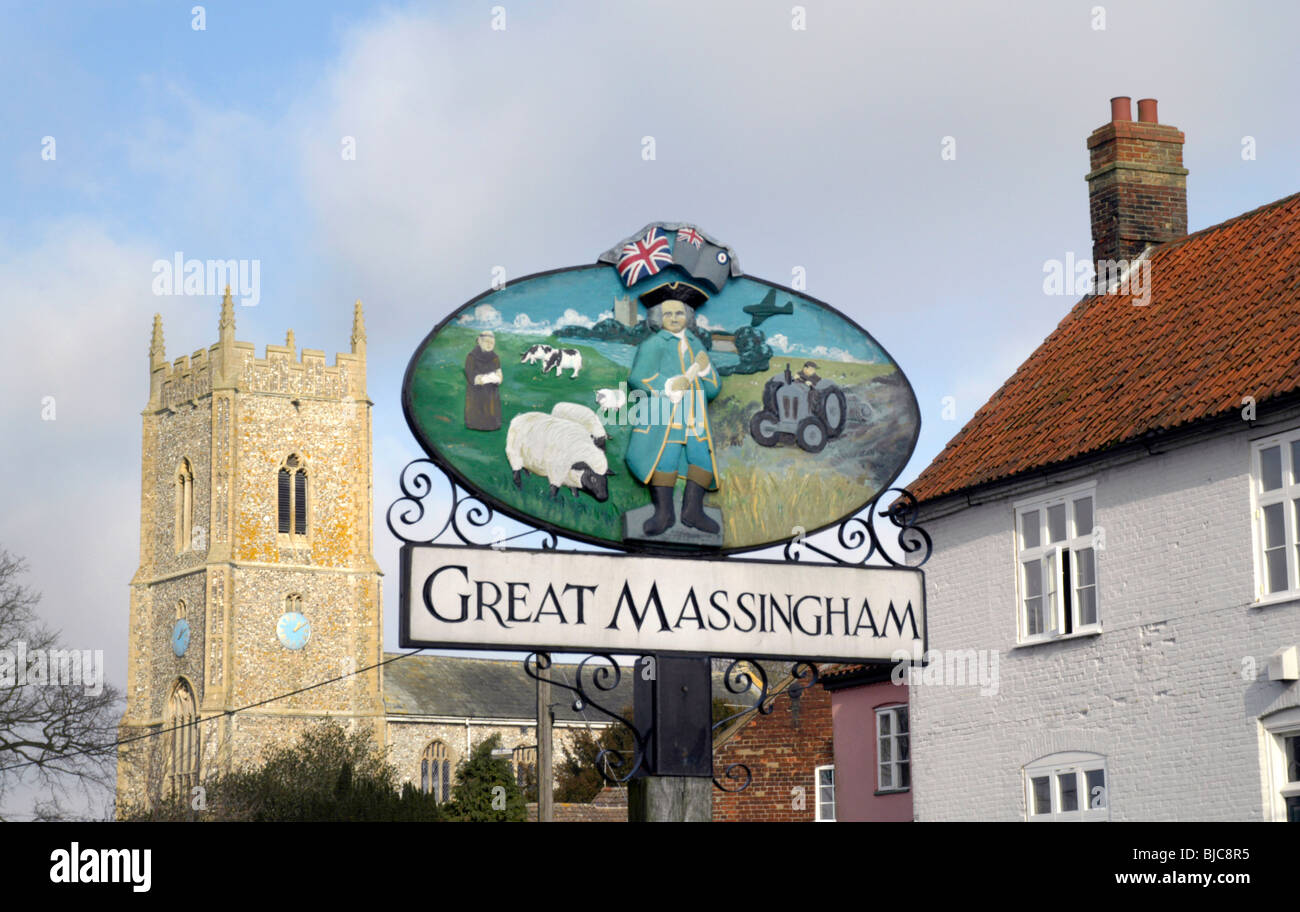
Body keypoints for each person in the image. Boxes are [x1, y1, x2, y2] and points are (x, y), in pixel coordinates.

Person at [624, 282, 721, 536]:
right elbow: (638, 378)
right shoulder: (654, 345)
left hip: (695, 414)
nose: (674, 318)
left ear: (688, 317)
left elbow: (712, 389)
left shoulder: (696, 345)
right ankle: (664, 514)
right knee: (664, 458)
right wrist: (668, 384)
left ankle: (693, 511)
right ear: (659, 317)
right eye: (668, 314)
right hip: (666, 414)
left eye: (679, 313)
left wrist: (706, 369)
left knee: (701, 458)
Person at [464, 331, 503, 431]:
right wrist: (481, 379)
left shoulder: (495, 357)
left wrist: (498, 378)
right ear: (479, 341)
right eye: (486, 341)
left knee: (491, 408)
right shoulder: (471, 356)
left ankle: (492, 425)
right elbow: (469, 374)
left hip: (491, 390)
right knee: (476, 408)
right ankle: (474, 424)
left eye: (492, 343)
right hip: (476, 391)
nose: (489, 344)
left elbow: (499, 373)